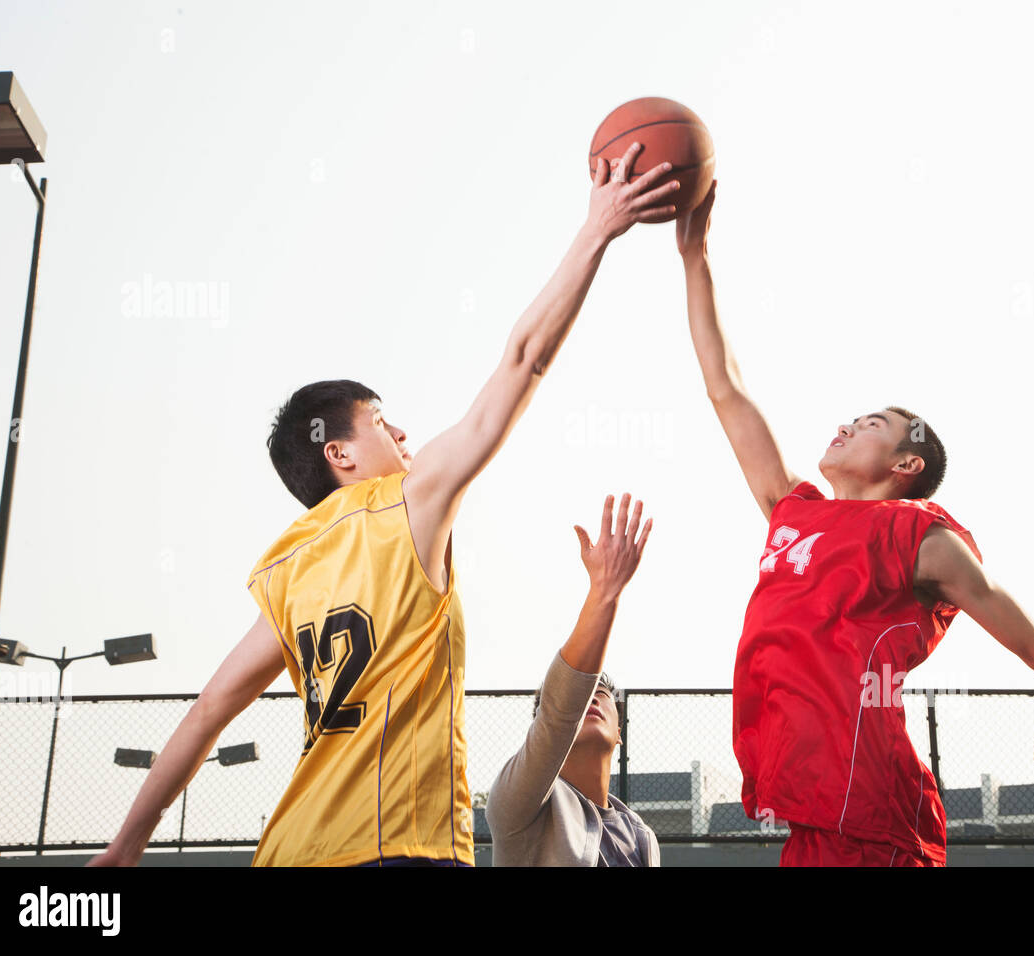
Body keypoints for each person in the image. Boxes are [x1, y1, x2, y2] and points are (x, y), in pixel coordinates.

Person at [87, 143, 681, 868]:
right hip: (395, 845)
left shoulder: (289, 567)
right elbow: (524, 360)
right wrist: (596, 229)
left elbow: (210, 710)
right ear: (339, 454)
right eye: (380, 421)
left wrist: (125, 847)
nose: (402, 432)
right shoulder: (409, 500)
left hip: (290, 851)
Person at [674, 179, 1034, 867]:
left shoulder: (922, 540)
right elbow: (725, 386)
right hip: (810, 810)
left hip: (873, 813)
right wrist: (695, 254)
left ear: (906, 463)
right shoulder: (795, 513)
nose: (847, 423)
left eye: (872, 423)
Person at [486, 493, 659, 867]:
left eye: (602, 695)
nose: (591, 699)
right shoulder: (519, 805)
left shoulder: (641, 835)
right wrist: (605, 590)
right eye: (583, 695)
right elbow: (559, 713)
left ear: (620, 734)